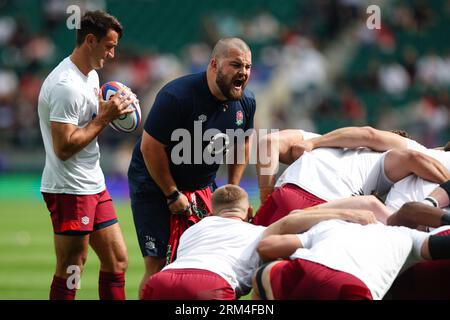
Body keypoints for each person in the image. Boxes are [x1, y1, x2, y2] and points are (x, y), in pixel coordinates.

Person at [127, 38, 256, 297]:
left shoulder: (245, 102)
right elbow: (150, 148)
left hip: (202, 186)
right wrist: (172, 193)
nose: (243, 72)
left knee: (206, 259)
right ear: (214, 65)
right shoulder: (177, 96)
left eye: (248, 66)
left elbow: (243, 142)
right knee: (159, 264)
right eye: (235, 65)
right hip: (155, 183)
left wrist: (233, 188)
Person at [37, 11, 135, 300]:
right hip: (70, 189)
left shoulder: (90, 74)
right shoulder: (65, 86)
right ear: (90, 40)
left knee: (117, 260)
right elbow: (64, 148)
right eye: (109, 46)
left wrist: (114, 112)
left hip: (93, 182)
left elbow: (91, 121)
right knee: (72, 268)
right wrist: (104, 118)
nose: (113, 54)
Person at [141, 184, 376, 300]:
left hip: (161, 281)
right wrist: (347, 214)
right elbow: (290, 222)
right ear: (250, 211)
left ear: (213, 212)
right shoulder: (258, 232)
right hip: (211, 283)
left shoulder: (192, 230)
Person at [253, 126, 450, 226]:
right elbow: (411, 157)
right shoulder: (387, 156)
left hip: (282, 194)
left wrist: (265, 196)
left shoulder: (322, 140)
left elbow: (267, 143)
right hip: (325, 206)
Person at [252, 218, 450, 300]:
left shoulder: (333, 224)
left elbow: (267, 246)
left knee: (265, 273)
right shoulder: (409, 236)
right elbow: (439, 247)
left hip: (306, 270)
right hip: (351, 287)